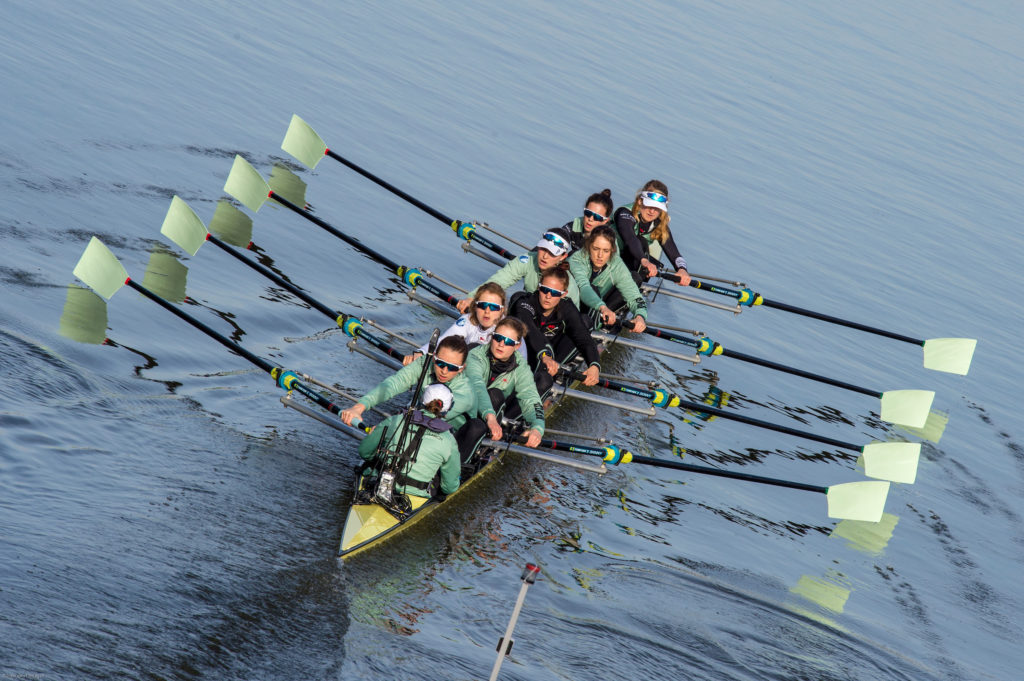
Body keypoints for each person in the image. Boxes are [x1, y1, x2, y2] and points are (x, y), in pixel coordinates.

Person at [340, 335, 474, 430]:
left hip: (452, 433)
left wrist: (388, 427)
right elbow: (394, 384)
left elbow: (432, 417)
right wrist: (359, 407)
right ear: (433, 358)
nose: (444, 371)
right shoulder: (424, 363)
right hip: (421, 417)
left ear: (461, 369)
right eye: (440, 363)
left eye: (452, 367)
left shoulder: (465, 393)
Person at [456, 318, 545, 459]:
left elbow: (531, 397)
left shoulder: (520, 367)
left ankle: (483, 449)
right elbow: (478, 386)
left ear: (517, 346)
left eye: (508, 342)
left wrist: (537, 427)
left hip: (489, 417)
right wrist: (490, 417)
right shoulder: (474, 356)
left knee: (496, 395)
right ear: (492, 337)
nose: (501, 344)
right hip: (463, 413)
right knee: (494, 395)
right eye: (498, 338)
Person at [356, 383, 460, 499]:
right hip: (415, 496)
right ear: (447, 409)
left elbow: (364, 452)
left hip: (376, 482)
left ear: (422, 401)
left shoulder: (395, 420)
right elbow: (449, 488)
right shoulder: (449, 440)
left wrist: (375, 440)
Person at [508, 267, 601, 395]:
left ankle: (553, 373)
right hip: (521, 353)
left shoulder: (566, 307)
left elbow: (583, 338)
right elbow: (531, 331)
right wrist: (544, 355)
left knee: (584, 323)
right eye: (545, 290)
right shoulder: (525, 303)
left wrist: (594, 365)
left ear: (563, 294)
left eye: (555, 293)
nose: (548, 296)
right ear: (538, 287)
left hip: (549, 356)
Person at [456, 231, 582, 311]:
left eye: (552, 253)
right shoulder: (528, 259)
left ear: (563, 257)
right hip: (529, 312)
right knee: (517, 298)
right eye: (543, 249)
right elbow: (499, 280)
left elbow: (570, 318)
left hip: (555, 324)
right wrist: (473, 298)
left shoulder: (568, 285)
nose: (544, 256)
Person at [402, 282, 524, 364]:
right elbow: (444, 340)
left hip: (499, 377)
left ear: (502, 310)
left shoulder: (508, 329)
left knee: (471, 349)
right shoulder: (468, 319)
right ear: (475, 306)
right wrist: (421, 353)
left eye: (493, 307)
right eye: (482, 305)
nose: (487, 311)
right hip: (471, 368)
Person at [568, 225, 649, 331]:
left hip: (599, 306)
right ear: (588, 245)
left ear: (612, 250)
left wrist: (640, 316)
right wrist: (602, 307)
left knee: (635, 277)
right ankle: (595, 322)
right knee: (593, 289)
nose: (600, 255)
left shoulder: (616, 263)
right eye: (596, 249)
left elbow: (634, 296)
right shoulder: (576, 259)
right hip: (573, 304)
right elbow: (584, 288)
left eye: (606, 251)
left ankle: (602, 323)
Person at [613, 180, 691, 286]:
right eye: (649, 205)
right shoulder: (625, 214)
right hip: (607, 256)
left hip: (629, 262)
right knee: (641, 242)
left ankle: (634, 284)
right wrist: (644, 260)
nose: (652, 211)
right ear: (640, 201)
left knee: (651, 262)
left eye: (657, 208)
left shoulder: (660, 225)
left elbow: (675, 254)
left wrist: (682, 269)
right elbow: (631, 239)